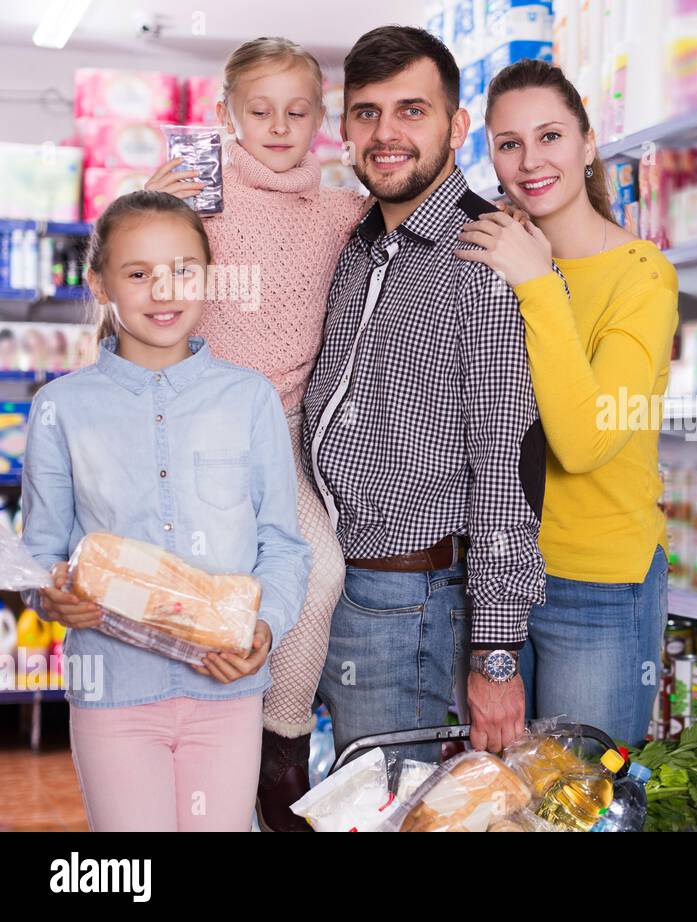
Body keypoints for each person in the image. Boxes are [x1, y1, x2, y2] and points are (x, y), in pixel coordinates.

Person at [20, 190, 311, 831]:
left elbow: (283, 545)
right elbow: (40, 552)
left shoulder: (249, 398)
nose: (163, 289)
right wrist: (52, 594)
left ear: (209, 277)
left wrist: (264, 628)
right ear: (100, 284)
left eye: (183, 269)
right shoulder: (61, 408)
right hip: (113, 692)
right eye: (138, 272)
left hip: (226, 690)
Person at [302, 26, 545, 761]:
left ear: (456, 127)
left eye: (412, 110)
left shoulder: (487, 255)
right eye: (366, 112)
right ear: (344, 128)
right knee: (357, 800)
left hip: (415, 602)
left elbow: (509, 460)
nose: (386, 134)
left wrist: (496, 652)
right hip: (335, 585)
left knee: (401, 810)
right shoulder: (358, 248)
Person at [145, 36, 369, 831]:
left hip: (283, 440)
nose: (279, 126)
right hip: (195, 438)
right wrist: (148, 211)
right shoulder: (193, 201)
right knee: (200, 611)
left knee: (319, 573)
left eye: (298, 111)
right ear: (226, 114)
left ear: (323, 120)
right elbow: (124, 305)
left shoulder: (341, 210)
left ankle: (284, 751)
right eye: (260, 110)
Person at [456, 60, 679, 744]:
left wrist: (537, 284)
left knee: (579, 805)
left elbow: (586, 441)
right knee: (493, 805)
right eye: (509, 143)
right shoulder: (484, 255)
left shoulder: (641, 275)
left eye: (550, 136)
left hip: (599, 586)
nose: (530, 161)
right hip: (492, 578)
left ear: (587, 141)